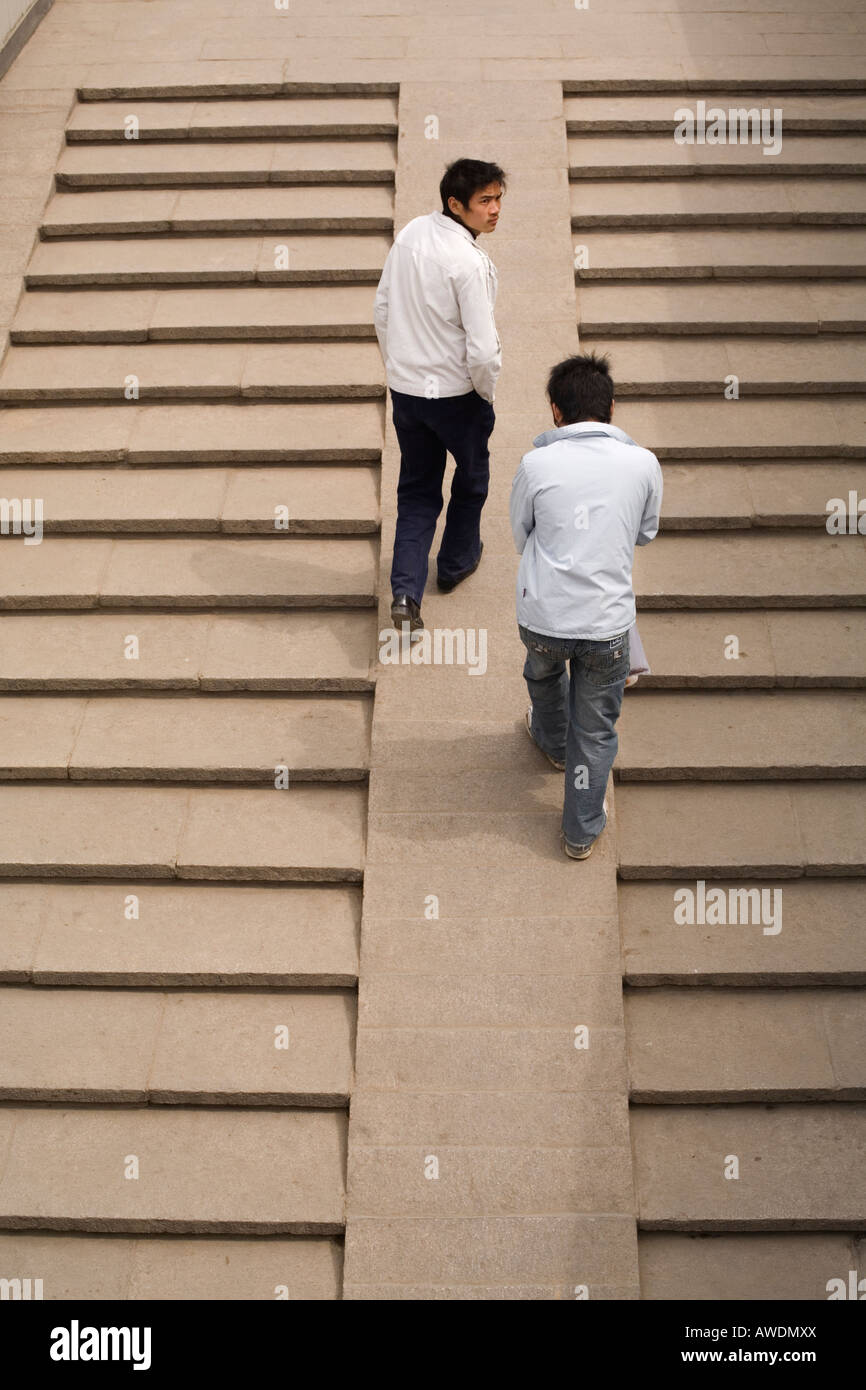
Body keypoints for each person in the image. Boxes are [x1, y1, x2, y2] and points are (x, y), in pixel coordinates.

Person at [509, 352, 662, 859]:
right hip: (606, 628)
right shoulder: (643, 463)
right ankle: (580, 831)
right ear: (612, 407)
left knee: (543, 675)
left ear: (555, 410)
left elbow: (519, 534)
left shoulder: (535, 464)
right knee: (595, 729)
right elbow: (645, 532)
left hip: (544, 619)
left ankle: (552, 744)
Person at [374, 158, 505, 634]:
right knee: (471, 480)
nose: (494, 210)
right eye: (485, 201)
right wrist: (484, 395)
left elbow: (382, 307)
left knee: (416, 490)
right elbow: (484, 350)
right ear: (457, 204)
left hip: (408, 393)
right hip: (456, 396)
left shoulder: (410, 234)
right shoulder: (468, 263)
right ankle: (454, 563)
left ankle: (406, 593)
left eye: (497, 200)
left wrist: (398, 368)